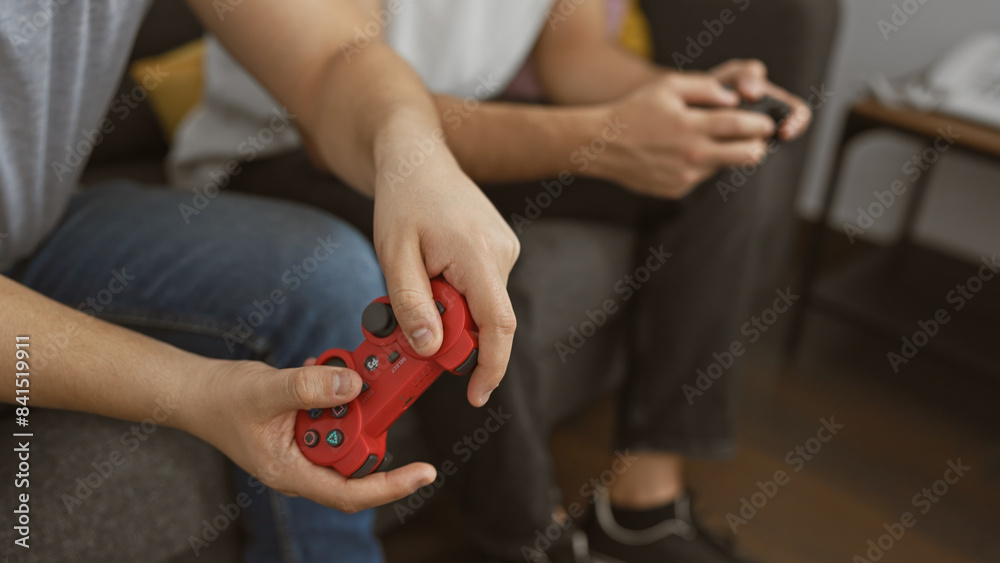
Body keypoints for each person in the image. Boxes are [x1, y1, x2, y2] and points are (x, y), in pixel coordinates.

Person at [167, 1, 814, 562]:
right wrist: (596, 137)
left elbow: (577, 54)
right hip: (298, 146)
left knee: (725, 161)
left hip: (452, 125)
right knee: (465, 267)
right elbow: (340, 109)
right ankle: (526, 538)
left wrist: (690, 103)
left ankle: (642, 508)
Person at [0, 0, 521, 561]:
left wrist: (415, 157)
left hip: (38, 222)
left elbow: (330, 57)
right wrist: (197, 391)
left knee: (331, 275)